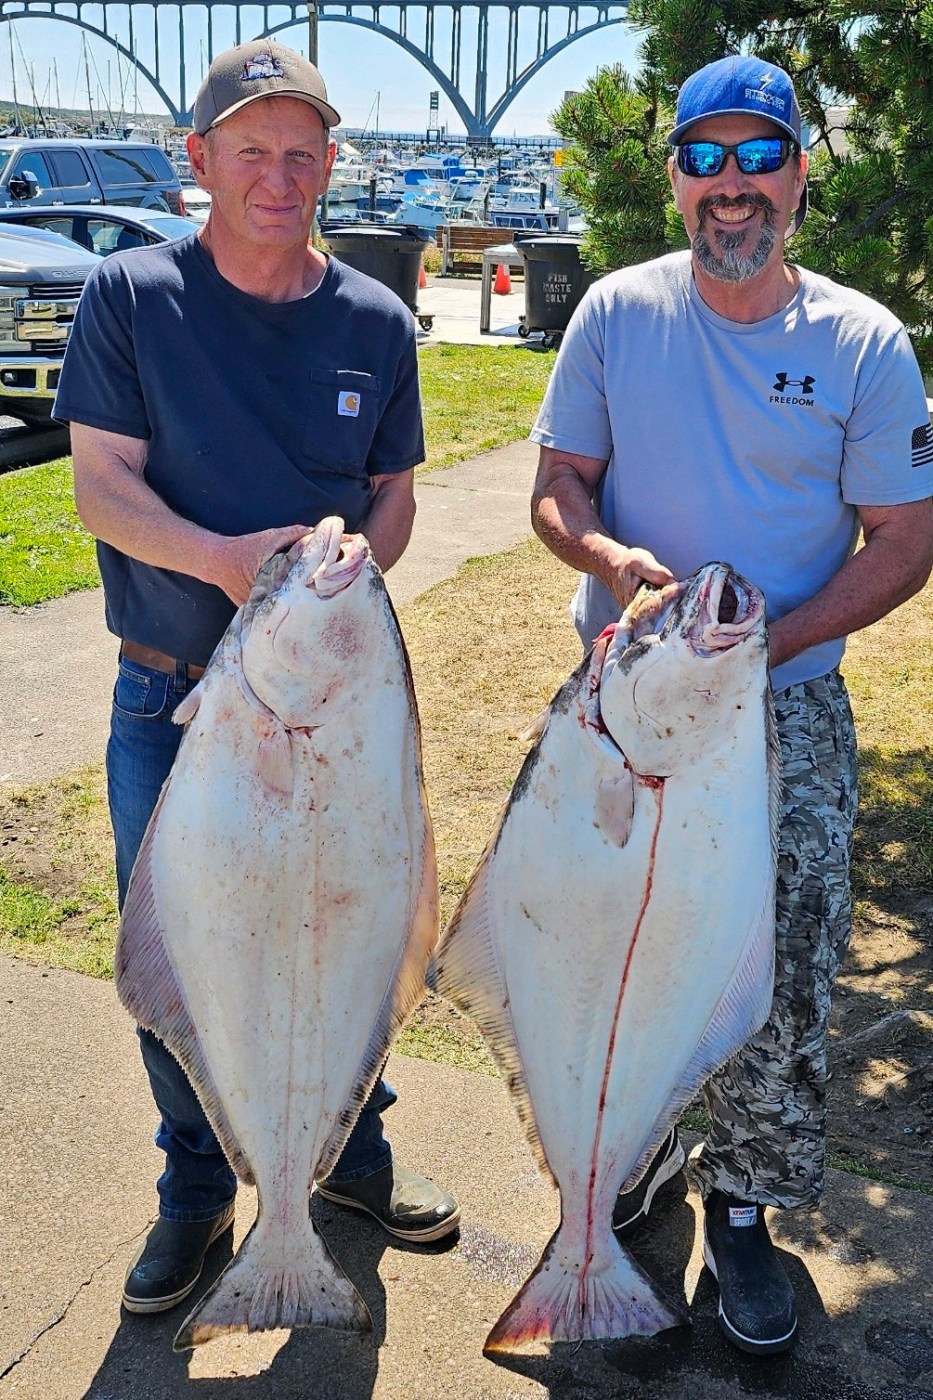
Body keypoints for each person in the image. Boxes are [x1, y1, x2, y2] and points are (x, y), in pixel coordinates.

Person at [529, 55, 933, 1356]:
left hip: (782, 718)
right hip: (625, 710)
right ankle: (619, 1172)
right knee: (604, 956)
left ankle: (743, 1217)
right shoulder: (614, 317)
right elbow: (558, 486)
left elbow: (905, 536)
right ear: (675, 183)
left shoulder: (863, 343)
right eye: (703, 157)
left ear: (799, 178)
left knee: (779, 974)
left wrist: (772, 648)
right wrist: (602, 558)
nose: (731, 184)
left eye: (758, 155)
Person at [53, 37, 460, 1318]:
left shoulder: (377, 321)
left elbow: (391, 501)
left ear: (331, 162)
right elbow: (98, 483)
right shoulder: (129, 295)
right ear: (202, 161)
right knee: (192, 959)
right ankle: (195, 1193)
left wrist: (345, 571)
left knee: (351, 939)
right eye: (252, 152)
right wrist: (228, 564)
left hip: (337, 711)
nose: (278, 176)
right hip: (172, 704)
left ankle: (347, 1160)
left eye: (302, 151)